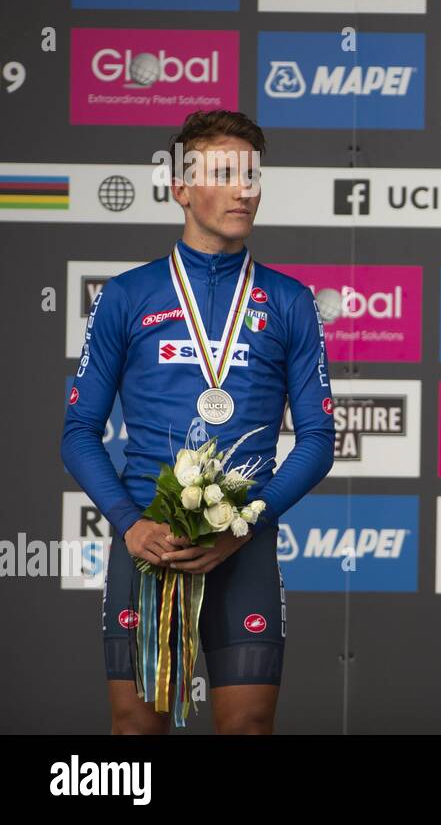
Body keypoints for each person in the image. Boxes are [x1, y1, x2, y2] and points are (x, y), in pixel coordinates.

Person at [61, 110, 335, 734]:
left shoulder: (290, 300)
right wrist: (131, 526)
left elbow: (318, 441)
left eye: (252, 175)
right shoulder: (127, 296)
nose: (245, 190)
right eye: (225, 173)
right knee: (136, 734)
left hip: (244, 549)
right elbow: (79, 433)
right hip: (148, 547)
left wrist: (246, 524)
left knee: (247, 728)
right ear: (181, 187)